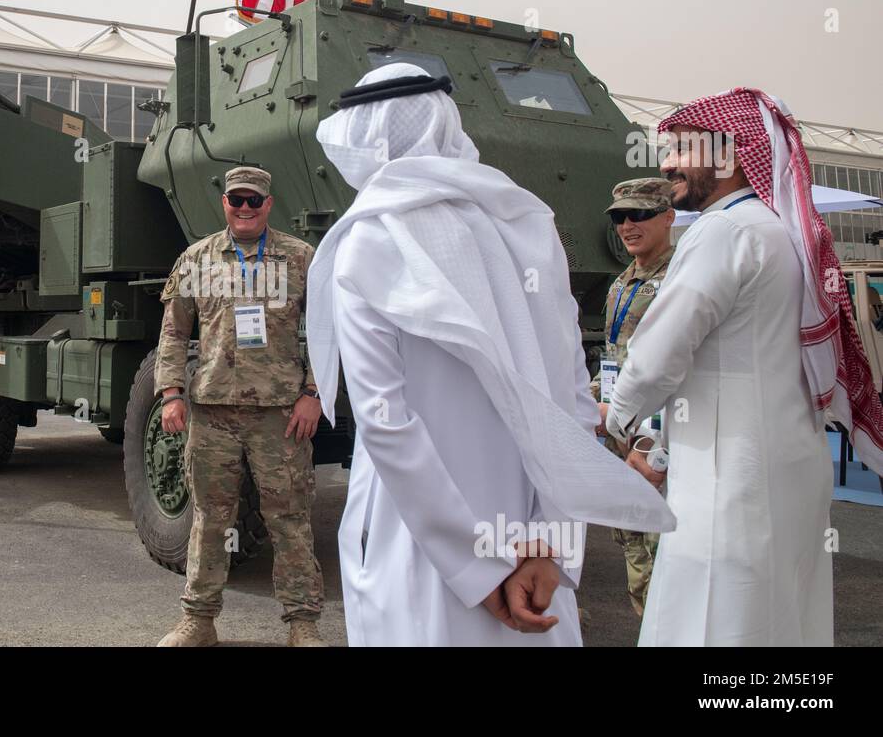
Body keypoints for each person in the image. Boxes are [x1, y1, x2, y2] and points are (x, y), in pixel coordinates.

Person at [307, 64, 674, 646]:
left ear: (369, 134)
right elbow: (572, 403)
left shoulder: (366, 243)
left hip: (420, 548)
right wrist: (550, 547)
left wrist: (477, 570)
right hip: (531, 544)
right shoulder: (525, 224)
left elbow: (386, 424)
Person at [605, 88, 883, 646]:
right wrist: (658, 445)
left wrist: (616, 417)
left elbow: (659, 354)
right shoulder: (772, 231)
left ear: (730, 157)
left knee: (715, 624)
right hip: (780, 470)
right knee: (781, 624)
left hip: (730, 480)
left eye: (683, 150)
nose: (667, 165)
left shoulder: (723, 231)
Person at [153, 166, 326, 647]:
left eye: (254, 200)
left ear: (269, 204)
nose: (245, 208)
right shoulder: (196, 259)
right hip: (212, 411)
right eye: (237, 200)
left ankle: (303, 624)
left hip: (280, 415)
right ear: (224, 203)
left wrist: (314, 395)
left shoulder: (300, 258)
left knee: (289, 518)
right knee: (210, 520)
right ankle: (198, 620)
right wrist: (171, 393)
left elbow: (331, 333)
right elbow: (173, 332)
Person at [592, 178, 676, 616]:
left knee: (665, 555)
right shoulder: (623, 282)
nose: (627, 225)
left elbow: (672, 365)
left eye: (640, 214)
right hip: (620, 433)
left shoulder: (679, 278)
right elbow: (615, 356)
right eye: (620, 217)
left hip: (656, 436)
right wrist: (588, 398)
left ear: (668, 217)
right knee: (634, 547)